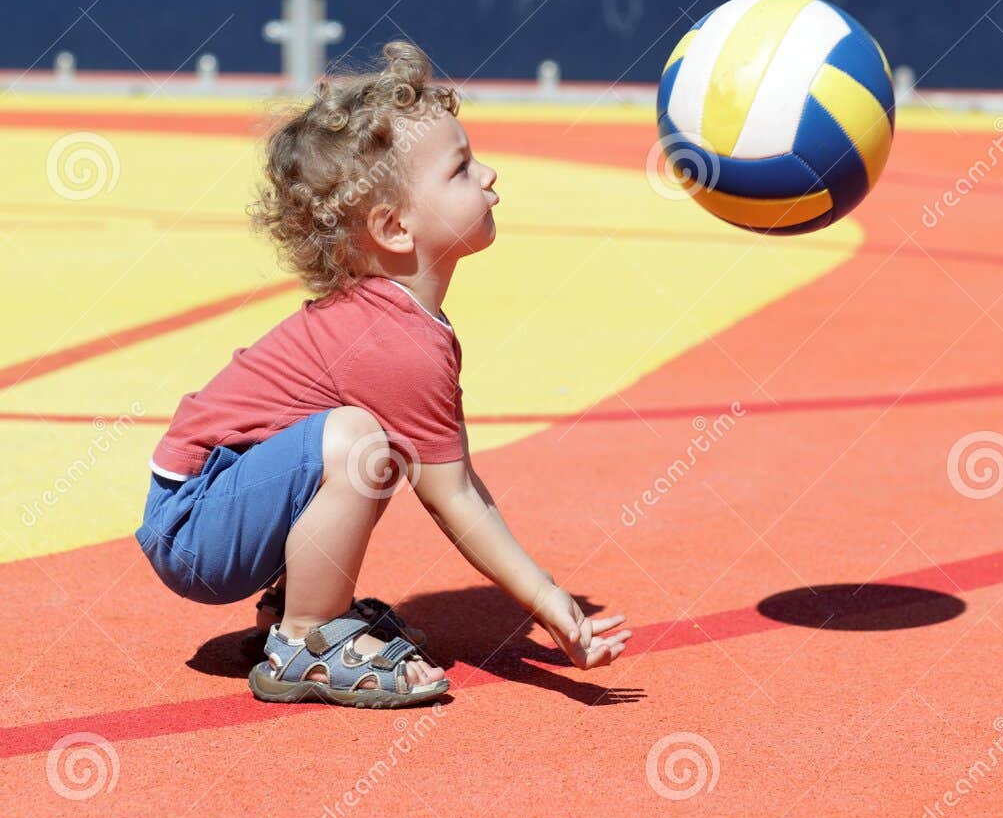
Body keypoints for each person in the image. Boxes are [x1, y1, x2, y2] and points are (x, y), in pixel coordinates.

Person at [133, 40, 631, 708]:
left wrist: (545, 597)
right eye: (460, 170)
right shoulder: (392, 341)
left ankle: (293, 607)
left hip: (213, 505)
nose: (487, 176)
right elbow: (453, 498)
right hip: (193, 526)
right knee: (359, 442)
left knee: (375, 445)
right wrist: (547, 601)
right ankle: (307, 638)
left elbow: (451, 477)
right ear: (393, 227)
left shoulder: (401, 324)